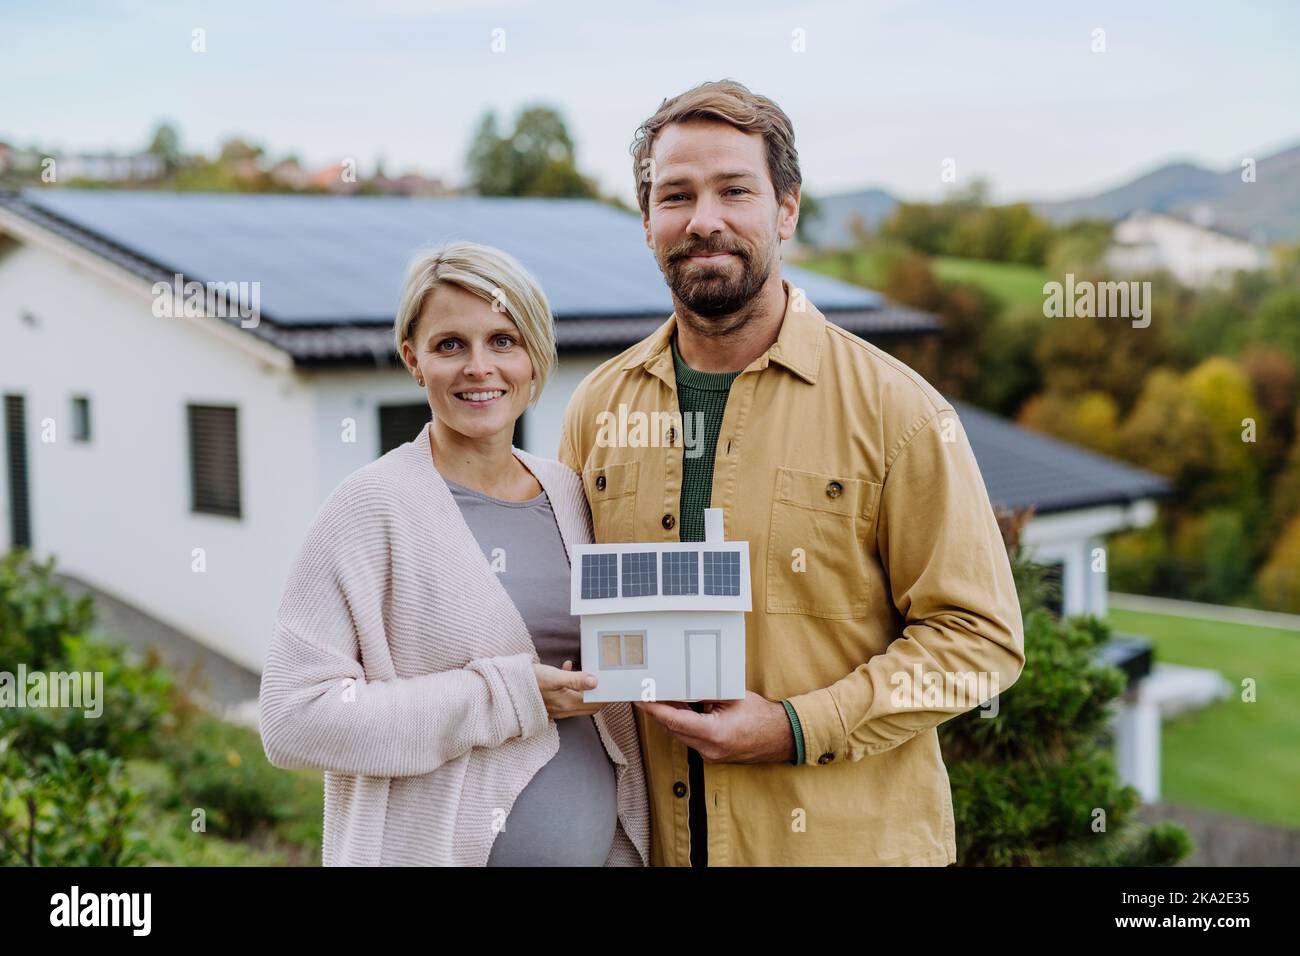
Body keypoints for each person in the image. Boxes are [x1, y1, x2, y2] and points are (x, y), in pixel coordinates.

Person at [559, 79, 1025, 866]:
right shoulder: (598, 408)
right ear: (646, 225)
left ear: (786, 210)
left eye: (733, 190)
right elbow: (564, 612)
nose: (703, 219)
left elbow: (978, 644)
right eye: (675, 195)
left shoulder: (899, 412)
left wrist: (798, 726)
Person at [259, 240, 649, 866]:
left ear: (534, 355)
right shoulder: (370, 508)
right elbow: (292, 721)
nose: (479, 367)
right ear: (414, 360)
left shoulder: (574, 495)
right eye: (450, 345)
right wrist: (506, 697)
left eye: (502, 340)